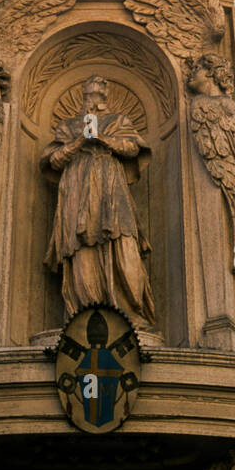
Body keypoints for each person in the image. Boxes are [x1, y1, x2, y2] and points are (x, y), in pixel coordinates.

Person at [41, 75, 154, 325]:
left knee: (124, 243)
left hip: (112, 186)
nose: (94, 100)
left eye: (99, 95)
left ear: (106, 96)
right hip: (76, 188)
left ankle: (131, 312)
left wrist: (102, 138)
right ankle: (85, 316)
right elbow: (54, 160)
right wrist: (80, 139)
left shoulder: (118, 120)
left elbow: (133, 149)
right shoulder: (68, 126)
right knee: (81, 248)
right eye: (90, 95)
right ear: (83, 96)